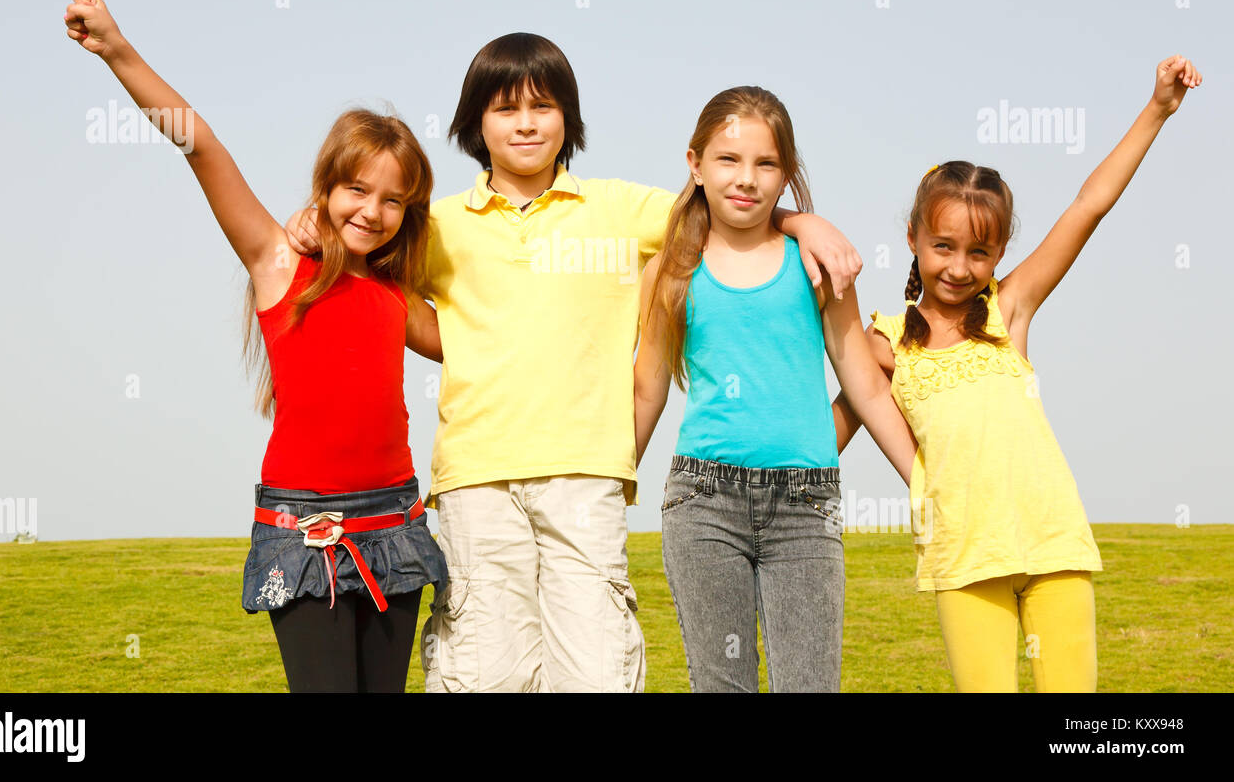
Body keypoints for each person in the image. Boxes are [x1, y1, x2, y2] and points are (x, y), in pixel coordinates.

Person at [284, 34, 865, 692]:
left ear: (570, 120)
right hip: (478, 480)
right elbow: (374, 272)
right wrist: (312, 223)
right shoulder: (438, 226)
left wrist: (800, 223)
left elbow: (728, 203)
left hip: (586, 478)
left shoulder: (621, 208)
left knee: (596, 669)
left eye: (544, 105)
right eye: (505, 109)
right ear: (475, 122)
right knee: (486, 671)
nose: (527, 123)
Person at [63, 0, 448, 693]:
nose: (372, 211)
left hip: (394, 519)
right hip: (304, 526)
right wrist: (118, 50)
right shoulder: (277, 261)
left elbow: (488, 340)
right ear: (327, 187)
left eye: (394, 200)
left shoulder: (400, 298)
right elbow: (199, 144)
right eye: (357, 189)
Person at [832, 55, 1203, 692]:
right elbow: (832, 426)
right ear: (915, 237)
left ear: (1000, 252)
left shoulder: (1008, 310)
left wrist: (1158, 110)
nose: (959, 266)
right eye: (944, 246)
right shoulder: (888, 342)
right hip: (966, 558)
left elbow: (1089, 205)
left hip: (1054, 544)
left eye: (980, 251)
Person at [632, 86, 916, 692]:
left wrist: (926, 481)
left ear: (786, 173)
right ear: (695, 164)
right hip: (702, 502)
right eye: (728, 160)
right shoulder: (670, 268)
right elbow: (645, 390)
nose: (747, 179)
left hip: (805, 507)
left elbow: (862, 380)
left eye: (766, 163)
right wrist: (611, 487)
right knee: (722, 684)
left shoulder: (817, 265)